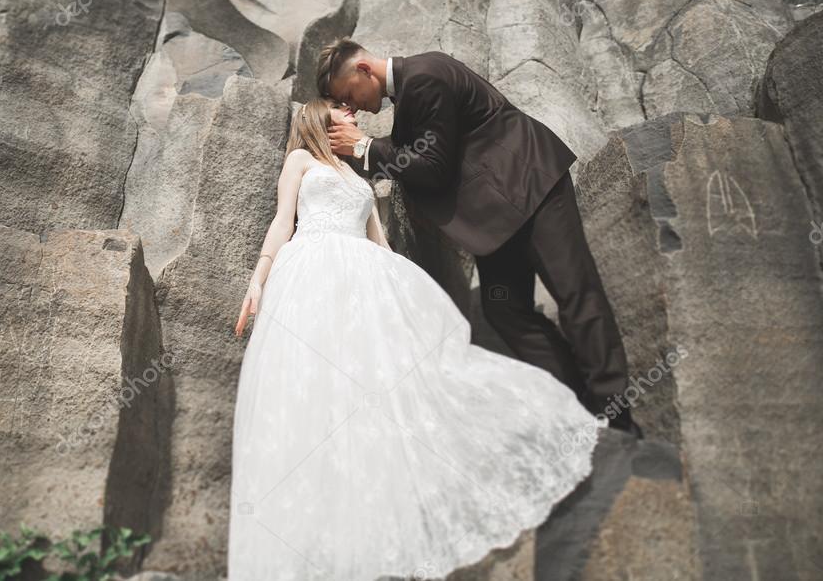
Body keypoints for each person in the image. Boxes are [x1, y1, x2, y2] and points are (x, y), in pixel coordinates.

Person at [227, 98, 601, 581]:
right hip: (311, 271)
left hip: (365, 276)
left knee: (380, 388)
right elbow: (283, 221)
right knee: (313, 390)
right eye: (342, 111)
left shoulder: (358, 177)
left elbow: (379, 241)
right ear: (319, 119)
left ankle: (380, 524)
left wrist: (406, 289)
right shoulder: (300, 160)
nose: (352, 115)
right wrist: (259, 279)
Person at [316, 37, 642, 438]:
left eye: (350, 94)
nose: (358, 106)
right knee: (505, 309)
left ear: (364, 70)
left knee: (576, 294)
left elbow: (433, 167)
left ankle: (616, 414)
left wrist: (365, 146)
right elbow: (418, 155)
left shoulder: (425, 76)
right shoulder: (414, 85)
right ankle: (578, 406)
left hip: (532, 188)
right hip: (499, 214)